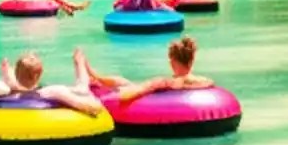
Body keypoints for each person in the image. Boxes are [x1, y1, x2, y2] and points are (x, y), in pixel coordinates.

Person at [79, 36, 213, 103]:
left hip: (145, 95)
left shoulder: (165, 82)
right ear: (191, 60)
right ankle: (94, 75)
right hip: (157, 94)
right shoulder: (203, 81)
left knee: (124, 84)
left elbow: (127, 96)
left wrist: (106, 100)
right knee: (123, 81)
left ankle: (92, 74)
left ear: (172, 61)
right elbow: (208, 84)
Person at [0, 50, 103, 115]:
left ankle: (9, 79)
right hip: (39, 97)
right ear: (39, 74)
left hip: (15, 92)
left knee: (10, 88)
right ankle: (79, 62)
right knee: (81, 88)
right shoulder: (51, 91)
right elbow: (84, 105)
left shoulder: (5, 90)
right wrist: (95, 104)